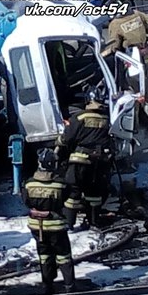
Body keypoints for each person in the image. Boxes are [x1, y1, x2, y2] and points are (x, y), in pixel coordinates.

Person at [56, 84, 113, 229]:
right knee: (94, 193)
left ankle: (69, 224)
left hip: (79, 160)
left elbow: (67, 139)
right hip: (99, 161)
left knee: (73, 192)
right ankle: (93, 221)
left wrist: (59, 143)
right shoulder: (106, 119)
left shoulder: (79, 117)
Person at [23, 147, 75, 295]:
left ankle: (47, 285)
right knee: (63, 256)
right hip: (56, 227)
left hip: (36, 227)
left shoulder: (29, 184)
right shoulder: (60, 184)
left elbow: (26, 202)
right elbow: (65, 197)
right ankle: (69, 286)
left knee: (44, 255)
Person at [103, 5, 148, 98]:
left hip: (132, 55)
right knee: (147, 79)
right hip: (146, 52)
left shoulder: (115, 24)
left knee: (134, 81)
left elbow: (115, 45)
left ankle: (140, 102)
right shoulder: (138, 14)